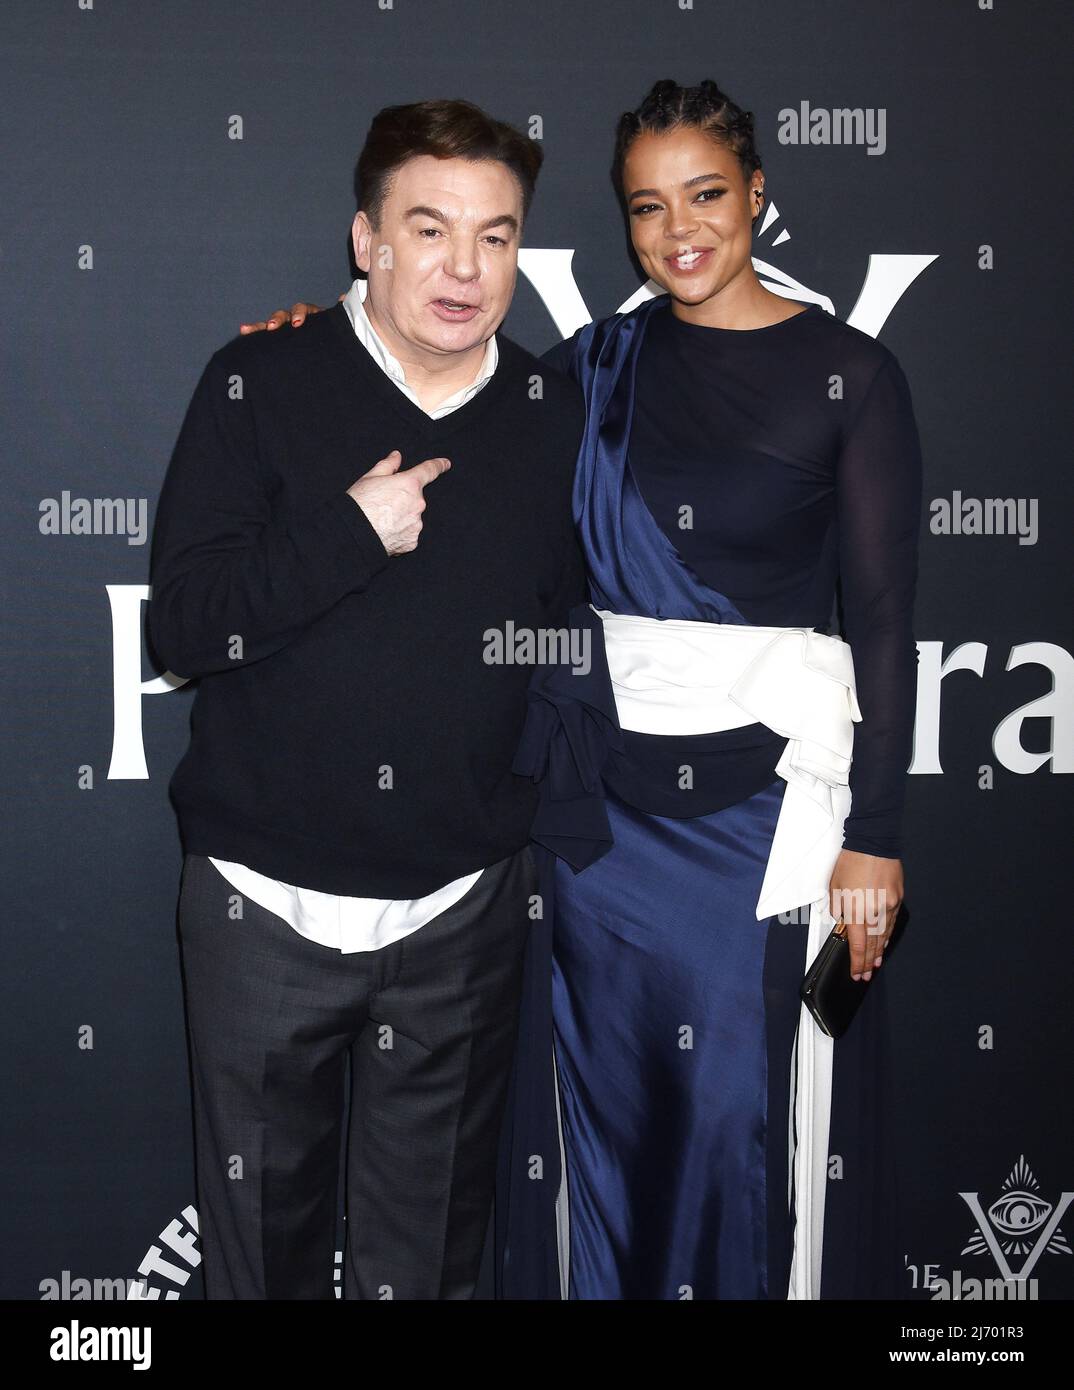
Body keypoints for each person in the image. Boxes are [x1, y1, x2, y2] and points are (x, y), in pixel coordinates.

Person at [249, 77, 923, 1301]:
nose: (680, 232)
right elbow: (450, 384)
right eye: (647, 207)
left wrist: (874, 839)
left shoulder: (851, 377)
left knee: (732, 1131)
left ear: (759, 196)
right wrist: (326, 337)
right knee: (605, 1125)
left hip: (760, 820)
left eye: (707, 195)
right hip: (601, 822)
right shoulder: (597, 365)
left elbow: (884, 625)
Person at [148, 98, 587, 1299]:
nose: (463, 267)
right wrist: (346, 533)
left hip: (458, 918)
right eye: (430, 228)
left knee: (430, 1271)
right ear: (366, 240)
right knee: (262, 1273)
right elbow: (184, 627)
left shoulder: (558, 415)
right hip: (261, 912)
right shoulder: (259, 378)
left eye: (496, 236)